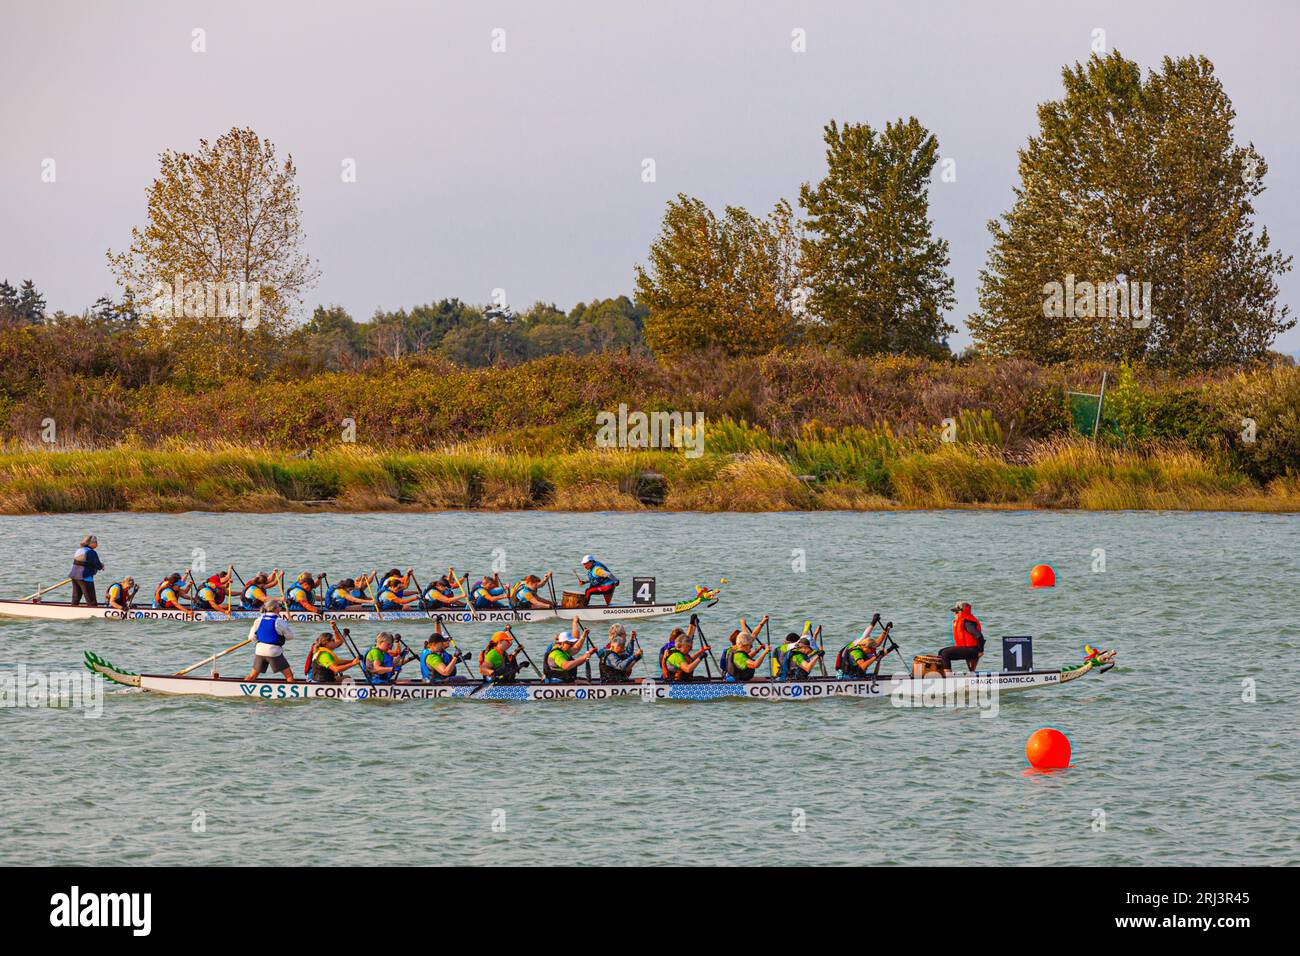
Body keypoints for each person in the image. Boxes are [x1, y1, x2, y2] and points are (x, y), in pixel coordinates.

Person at [243, 599, 296, 681]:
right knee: (289, 675)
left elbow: (251, 638)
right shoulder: (279, 621)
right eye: (279, 607)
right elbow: (290, 637)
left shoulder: (258, 620)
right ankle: (291, 692)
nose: (280, 609)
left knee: (252, 676)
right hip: (273, 652)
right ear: (275, 609)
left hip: (259, 650)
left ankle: (246, 683)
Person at [543, 616, 597, 683]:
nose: (571, 645)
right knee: (586, 683)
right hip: (557, 683)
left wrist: (587, 655)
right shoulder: (557, 654)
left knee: (587, 682)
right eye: (570, 643)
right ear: (562, 643)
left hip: (565, 680)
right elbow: (566, 666)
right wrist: (583, 657)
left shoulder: (563, 650)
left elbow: (576, 648)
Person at [939, 602, 985, 675]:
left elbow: (978, 636)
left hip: (972, 650)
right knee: (941, 652)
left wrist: (980, 651)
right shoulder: (961, 621)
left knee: (945, 653)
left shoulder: (968, 622)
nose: (955, 614)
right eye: (954, 612)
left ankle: (948, 676)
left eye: (957, 612)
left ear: (963, 611)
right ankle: (944, 673)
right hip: (965, 648)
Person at [837, 614, 888, 678]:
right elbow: (865, 634)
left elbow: (877, 647)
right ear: (866, 646)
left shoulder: (865, 647)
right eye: (872, 650)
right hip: (845, 676)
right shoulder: (856, 648)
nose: (873, 651)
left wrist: (885, 631)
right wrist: (873, 622)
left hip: (855, 674)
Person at [722, 616, 770, 682]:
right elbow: (755, 664)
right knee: (765, 680)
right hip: (735, 679)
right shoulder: (739, 653)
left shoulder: (735, 650)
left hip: (733, 676)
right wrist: (742, 624)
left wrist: (762, 622)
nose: (751, 646)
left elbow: (753, 635)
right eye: (750, 645)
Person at [69, 535, 104, 606]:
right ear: (90, 543)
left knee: (76, 598)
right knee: (91, 600)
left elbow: (86, 562)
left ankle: (73, 608)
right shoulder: (91, 552)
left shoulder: (79, 550)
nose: (97, 544)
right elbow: (98, 565)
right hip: (85, 577)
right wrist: (102, 566)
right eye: (95, 542)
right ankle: (94, 611)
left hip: (74, 576)